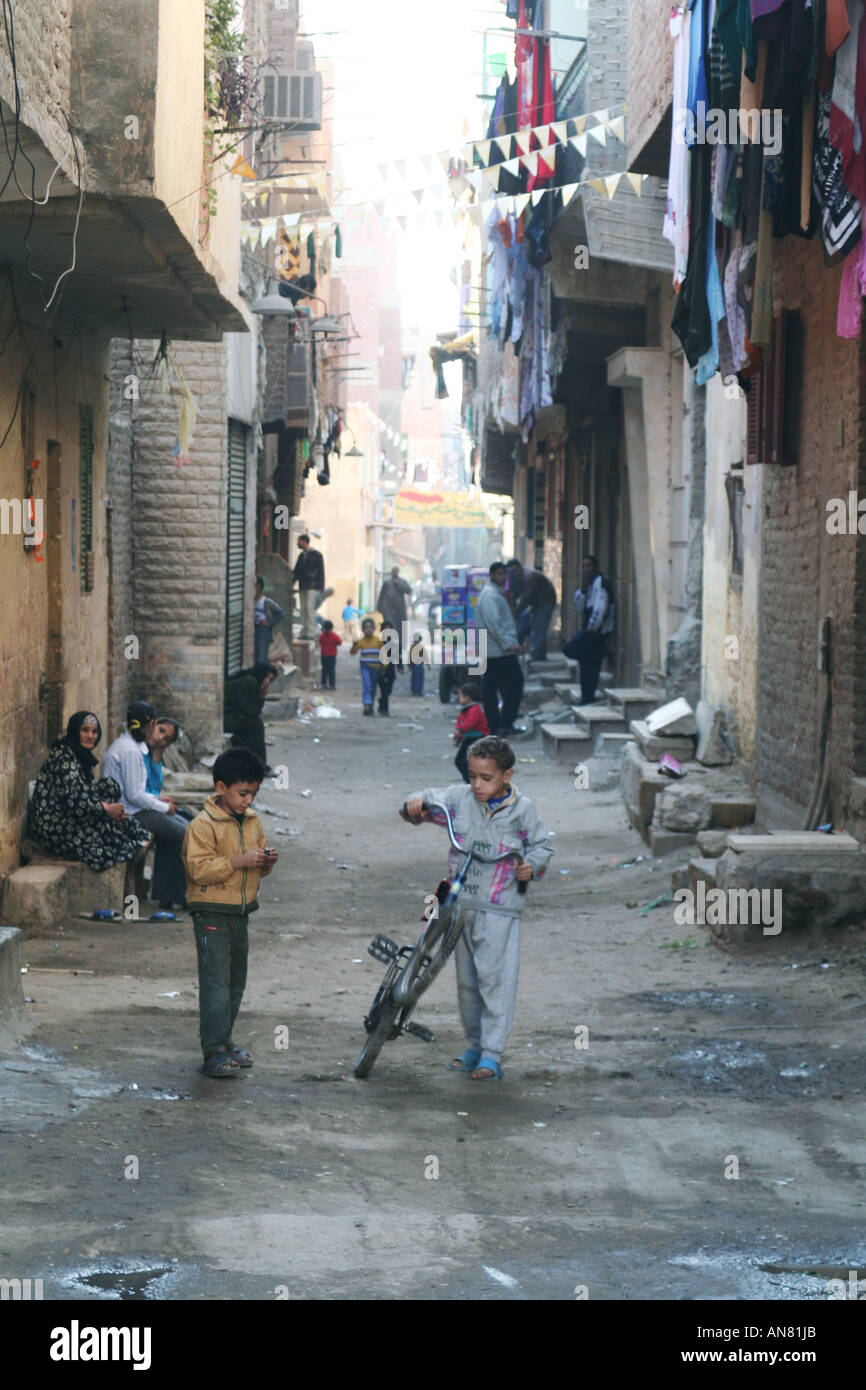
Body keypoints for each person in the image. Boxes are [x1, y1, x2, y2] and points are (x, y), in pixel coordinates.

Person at [403, 735, 553, 1080]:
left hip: (499, 907)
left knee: (494, 981)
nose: (477, 785)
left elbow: (542, 847)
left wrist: (532, 865)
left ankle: (492, 1053)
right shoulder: (459, 798)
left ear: (507, 775)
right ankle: (474, 1044)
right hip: (461, 906)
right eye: (472, 776)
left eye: (486, 778)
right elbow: (428, 801)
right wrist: (415, 803)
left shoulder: (523, 810)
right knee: (467, 982)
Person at [182, 747, 278, 1078]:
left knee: (236, 982)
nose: (248, 800)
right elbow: (198, 870)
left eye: (252, 793)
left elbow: (256, 871)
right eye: (242, 793)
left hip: (240, 913)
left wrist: (264, 863)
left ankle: (225, 1040)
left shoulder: (252, 822)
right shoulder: (202, 825)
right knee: (216, 985)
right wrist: (239, 861)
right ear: (221, 788)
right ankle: (213, 1050)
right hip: (210, 914)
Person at [28, 711, 150, 871]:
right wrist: (106, 810)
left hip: (72, 814)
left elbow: (88, 793)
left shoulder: (82, 757)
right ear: (74, 731)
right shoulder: (63, 756)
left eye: (94, 732)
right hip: (54, 823)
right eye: (85, 730)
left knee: (110, 787)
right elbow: (74, 800)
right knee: (111, 842)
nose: (90, 736)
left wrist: (109, 808)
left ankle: (109, 828)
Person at [102, 701, 190, 909]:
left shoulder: (133, 746)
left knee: (183, 825)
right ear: (150, 723)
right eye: (157, 728)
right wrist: (163, 807)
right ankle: (174, 894)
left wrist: (159, 801)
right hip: (130, 814)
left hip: (136, 808)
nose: (158, 736)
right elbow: (134, 795)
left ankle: (169, 894)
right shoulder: (130, 751)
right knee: (182, 833)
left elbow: (138, 789)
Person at [475, 561, 525, 736]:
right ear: (492, 576)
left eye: (504, 574)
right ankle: (502, 723)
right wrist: (509, 644)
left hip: (495, 651)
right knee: (514, 683)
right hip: (498, 651)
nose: (503, 577)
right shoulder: (490, 596)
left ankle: (497, 725)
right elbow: (494, 624)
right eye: (499, 574)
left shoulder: (495, 594)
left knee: (492, 688)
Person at [564, 555, 616, 706]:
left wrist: (591, 629)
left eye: (588, 566)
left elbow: (600, 609)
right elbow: (579, 607)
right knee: (585, 666)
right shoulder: (590, 585)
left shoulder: (601, 584)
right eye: (584, 566)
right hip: (590, 633)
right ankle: (586, 696)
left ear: (595, 567)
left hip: (597, 634)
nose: (585, 570)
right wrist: (582, 591)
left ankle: (588, 697)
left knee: (591, 667)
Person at [223, 663, 278, 770]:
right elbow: (251, 710)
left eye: (270, 679)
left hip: (232, 714)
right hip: (224, 716)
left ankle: (255, 764)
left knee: (254, 725)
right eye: (266, 677)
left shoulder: (252, 682)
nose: (267, 681)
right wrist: (263, 693)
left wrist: (262, 693)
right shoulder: (248, 682)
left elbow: (252, 710)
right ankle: (258, 765)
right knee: (255, 726)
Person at [144, 717, 195, 824]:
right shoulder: (138, 751)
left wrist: (159, 750)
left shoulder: (151, 755)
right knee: (184, 832)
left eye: (166, 739)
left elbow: (155, 787)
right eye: (161, 730)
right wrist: (159, 799)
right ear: (154, 724)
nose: (160, 738)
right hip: (141, 809)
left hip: (153, 805)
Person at [506, 559, 557, 662]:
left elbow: (527, 597)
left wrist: (516, 612)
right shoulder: (521, 576)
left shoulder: (529, 576)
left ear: (518, 567)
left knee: (539, 627)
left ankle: (538, 656)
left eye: (514, 570)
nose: (514, 574)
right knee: (536, 626)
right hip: (539, 603)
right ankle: (539, 654)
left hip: (546, 602)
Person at [453, 680, 490, 782]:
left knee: (465, 761)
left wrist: (460, 731)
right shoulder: (466, 709)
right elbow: (460, 723)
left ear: (467, 698)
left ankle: (470, 781)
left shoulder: (475, 709)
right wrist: (458, 738)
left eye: (460, 696)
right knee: (460, 761)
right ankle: (469, 780)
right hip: (469, 739)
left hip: (478, 739)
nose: (458, 698)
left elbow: (469, 723)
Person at [292, 534, 325, 639]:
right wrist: (291, 584)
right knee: (303, 609)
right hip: (303, 586)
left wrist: (321, 586)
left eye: (299, 541)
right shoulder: (301, 556)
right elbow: (296, 572)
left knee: (310, 609)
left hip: (312, 586)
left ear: (304, 542)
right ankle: (304, 631)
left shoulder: (317, 555)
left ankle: (310, 632)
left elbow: (321, 571)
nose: (298, 543)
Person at [376, 567, 412, 660]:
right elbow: (382, 595)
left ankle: (398, 654)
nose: (394, 572)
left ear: (398, 572)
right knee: (389, 631)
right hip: (388, 611)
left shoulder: (402, 581)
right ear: (391, 572)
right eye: (393, 571)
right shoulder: (387, 583)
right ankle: (387, 653)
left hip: (400, 611)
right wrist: (379, 607)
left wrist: (398, 584)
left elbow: (408, 590)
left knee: (399, 633)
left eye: (396, 570)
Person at [350, 617, 384, 716]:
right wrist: (354, 645)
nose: (368, 629)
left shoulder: (378, 641)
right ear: (363, 629)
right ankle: (367, 705)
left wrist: (384, 667)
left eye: (370, 627)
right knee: (367, 685)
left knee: (373, 687)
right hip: (365, 667)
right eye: (366, 627)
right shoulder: (361, 641)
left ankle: (370, 706)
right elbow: (353, 652)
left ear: (374, 628)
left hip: (376, 668)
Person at [253, 577, 285, 666]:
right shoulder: (250, 601)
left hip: (263, 631)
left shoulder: (267, 602)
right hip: (253, 630)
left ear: (258, 587)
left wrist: (269, 623)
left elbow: (281, 614)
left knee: (262, 657)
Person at [318, 619, 342, 689]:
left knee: (324, 670)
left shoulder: (322, 635)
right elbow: (339, 642)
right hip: (332, 655)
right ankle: (332, 684)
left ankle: (324, 684)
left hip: (324, 655)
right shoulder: (334, 635)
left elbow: (320, 642)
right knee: (331, 670)